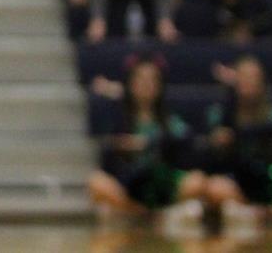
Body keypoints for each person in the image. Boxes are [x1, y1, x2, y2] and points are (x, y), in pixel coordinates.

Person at [87, 55, 207, 226]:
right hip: (132, 187)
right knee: (96, 181)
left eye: (152, 79)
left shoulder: (171, 121)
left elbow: (187, 149)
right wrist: (121, 149)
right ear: (131, 84)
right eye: (141, 79)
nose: (146, 84)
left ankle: (146, 216)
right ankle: (144, 215)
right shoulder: (119, 120)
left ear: (159, 86)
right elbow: (107, 164)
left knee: (197, 180)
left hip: (164, 185)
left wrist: (149, 143)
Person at [203, 55, 272, 231]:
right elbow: (218, 142)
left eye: (253, 77)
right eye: (243, 76)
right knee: (214, 187)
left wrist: (235, 135)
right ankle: (251, 213)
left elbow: (269, 130)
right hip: (238, 187)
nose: (248, 81)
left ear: (263, 82)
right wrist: (231, 94)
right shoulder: (221, 112)